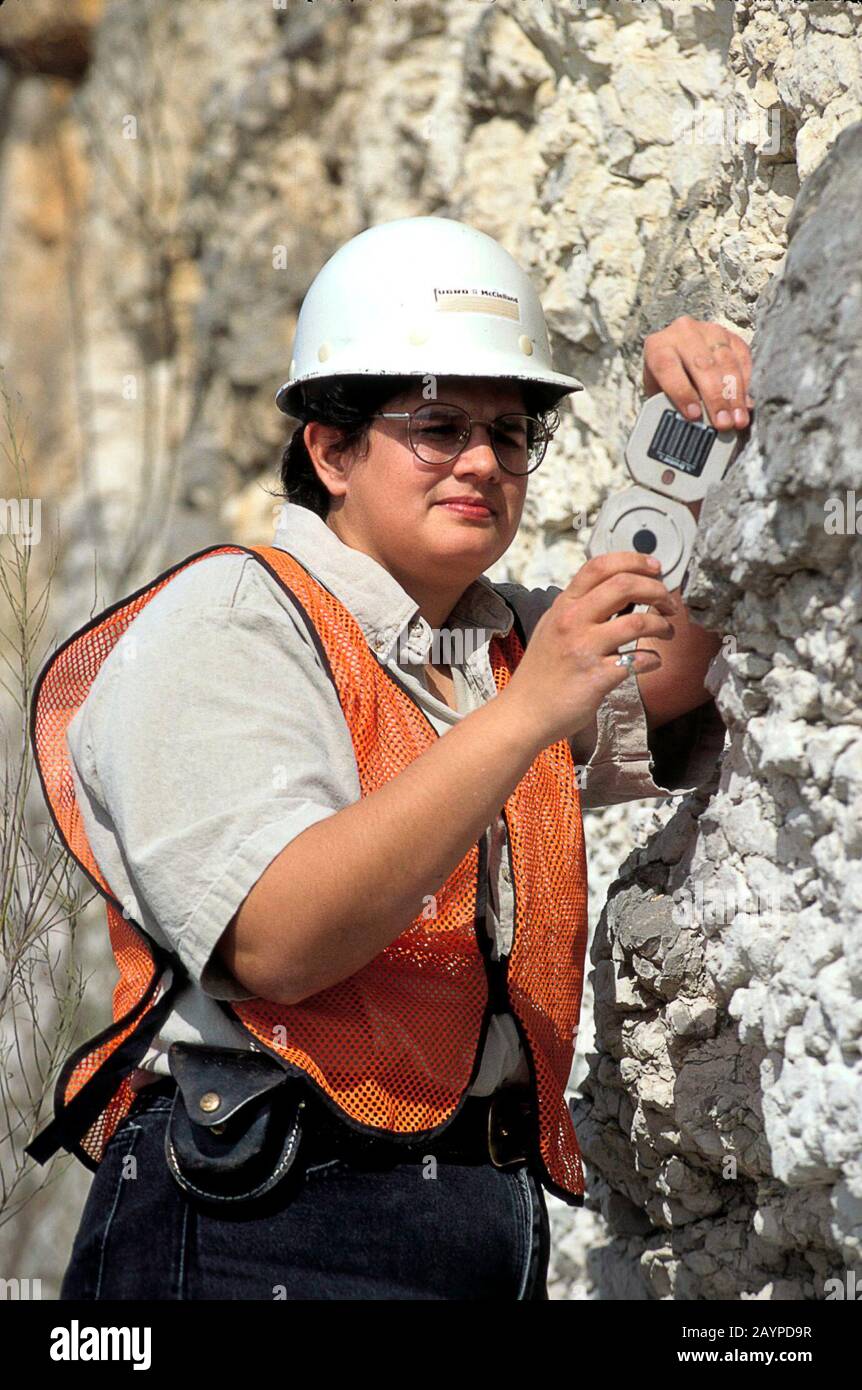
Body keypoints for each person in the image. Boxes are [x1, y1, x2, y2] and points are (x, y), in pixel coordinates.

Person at [29, 216, 749, 1300]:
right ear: (329, 447)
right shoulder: (229, 619)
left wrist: (692, 431)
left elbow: (674, 665)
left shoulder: (494, 645)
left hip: (468, 1208)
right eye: (436, 426)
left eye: (509, 433)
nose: (482, 462)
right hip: (261, 1216)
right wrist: (518, 718)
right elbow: (276, 941)